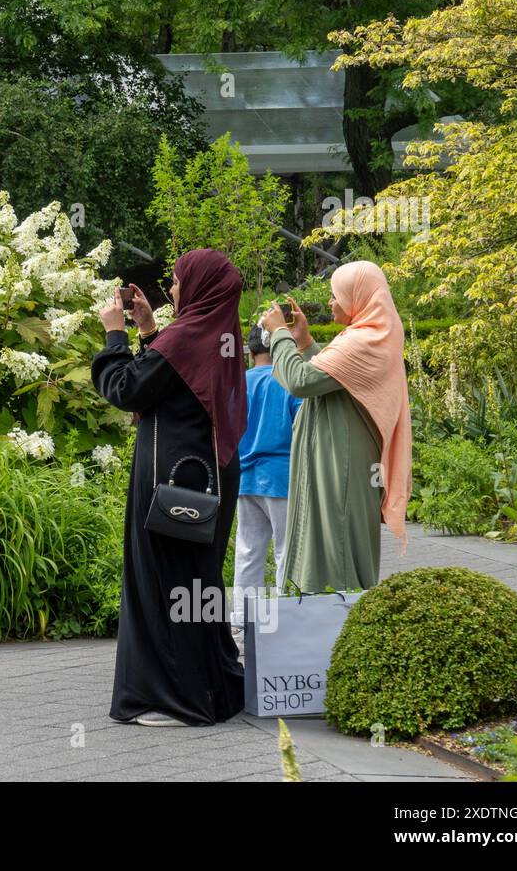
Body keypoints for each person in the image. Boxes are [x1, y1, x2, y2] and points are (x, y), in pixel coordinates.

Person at [92, 248, 248, 727]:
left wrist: (115, 335)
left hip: (173, 482)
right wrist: (148, 333)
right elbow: (177, 385)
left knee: (163, 584)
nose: (174, 289)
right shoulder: (217, 333)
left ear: (200, 286)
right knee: (196, 584)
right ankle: (211, 690)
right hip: (205, 480)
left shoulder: (188, 335)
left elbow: (127, 389)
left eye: (179, 281)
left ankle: (173, 699)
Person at [258, 261, 413, 594]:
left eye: (335, 296)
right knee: (331, 537)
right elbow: (331, 378)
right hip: (338, 456)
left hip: (340, 462)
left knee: (337, 541)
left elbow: (301, 381)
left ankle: (338, 625)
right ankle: (328, 619)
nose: (330, 302)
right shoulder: (367, 335)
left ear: (356, 297)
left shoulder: (364, 341)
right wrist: (304, 341)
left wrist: (279, 335)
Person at [231, 325, 300, 638]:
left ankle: (243, 628)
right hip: (282, 477)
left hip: (245, 478)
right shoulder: (289, 381)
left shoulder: (239, 383)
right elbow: (303, 425)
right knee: (288, 551)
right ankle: (286, 625)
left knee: (248, 552)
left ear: (250, 350)